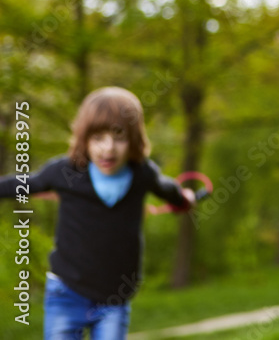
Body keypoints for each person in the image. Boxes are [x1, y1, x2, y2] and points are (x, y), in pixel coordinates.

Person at [0, 87, 195, 339]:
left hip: (113, 299)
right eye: (98, 138)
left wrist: (183, 198)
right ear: (84, 139)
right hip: (66, 292)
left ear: (135, 139)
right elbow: (23, 183)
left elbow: (167, 189)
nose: (108, 148)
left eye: (119, 137)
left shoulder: (142, 174)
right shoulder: (65, 173)